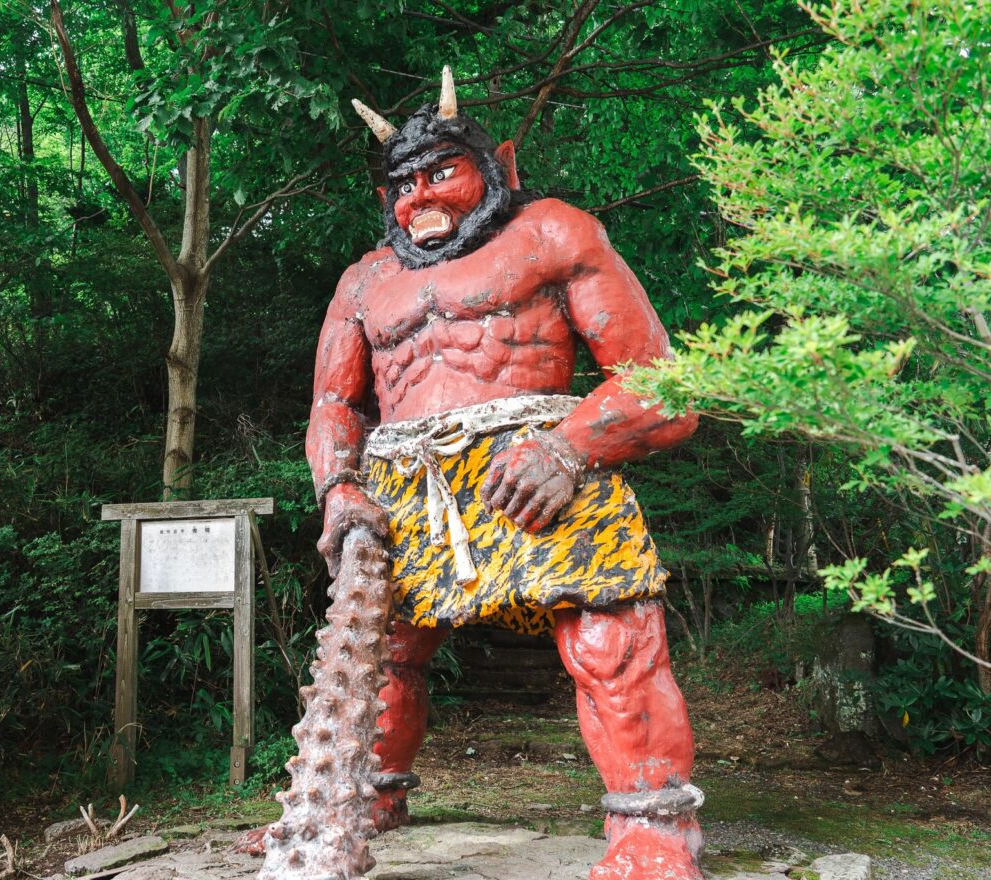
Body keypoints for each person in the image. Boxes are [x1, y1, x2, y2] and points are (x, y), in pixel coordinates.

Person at [256, 67, 704, 880]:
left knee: (609, 631)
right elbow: (334, 404)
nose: (420, 197)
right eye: (404, 184)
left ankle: (654, 829)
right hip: (405, 486)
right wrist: (340, 488)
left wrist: (568, 449)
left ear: (498, 166)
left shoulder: (553, 233)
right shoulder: (365, 281)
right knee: (378, 652)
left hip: (542, 463)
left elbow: (662, 388)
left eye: (441, 173)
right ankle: (357, 803)